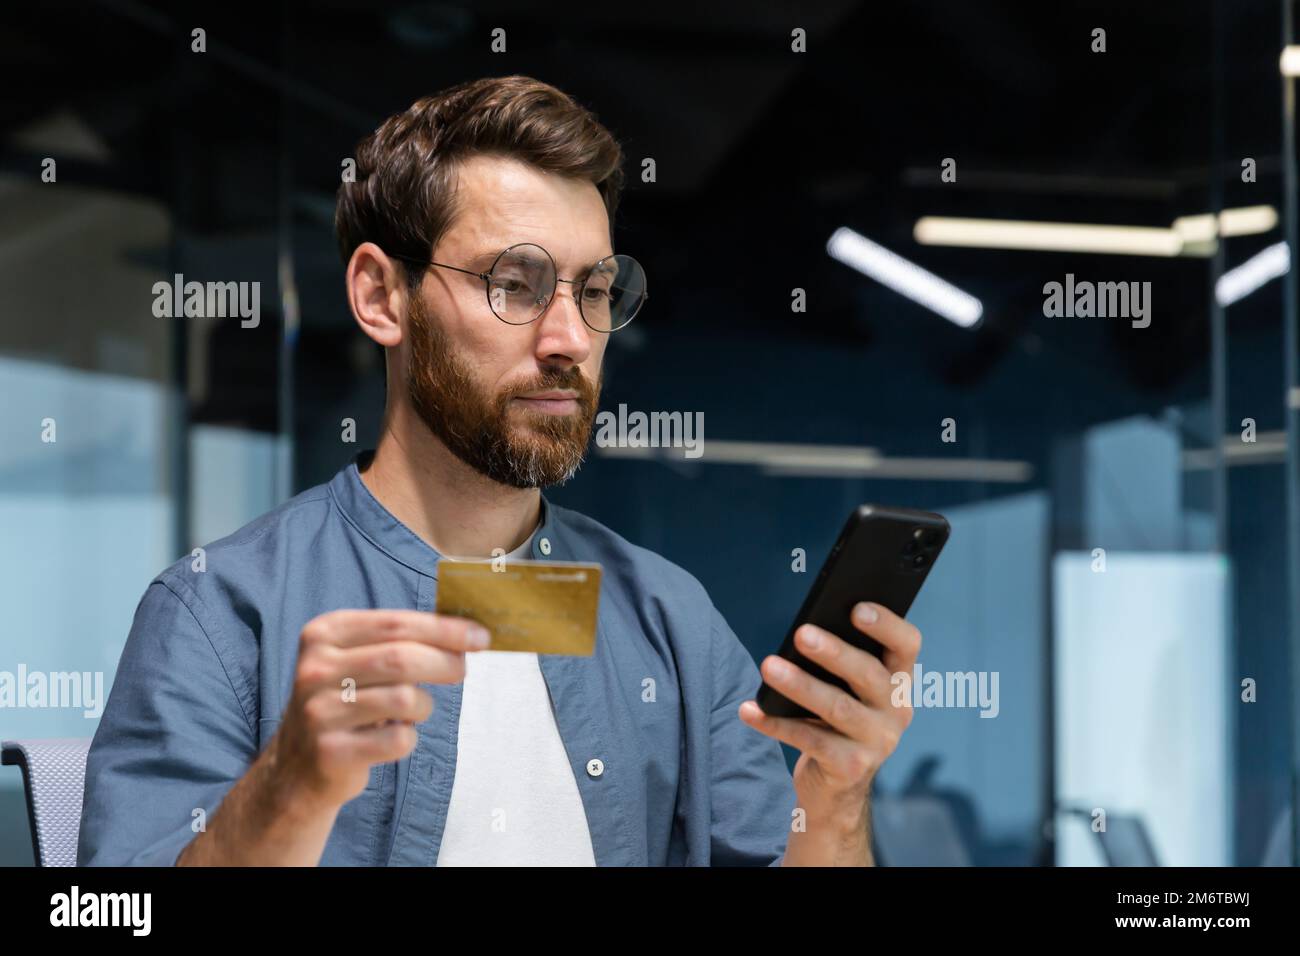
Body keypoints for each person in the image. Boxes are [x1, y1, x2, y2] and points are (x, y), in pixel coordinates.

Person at [77, 75, 923, 866]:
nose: (569, 340)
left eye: (594, 290)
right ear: (380, 297)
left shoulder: (668, 619)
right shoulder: (221, 613)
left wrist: (834, 796)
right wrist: (286, 793)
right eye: (515, 285)